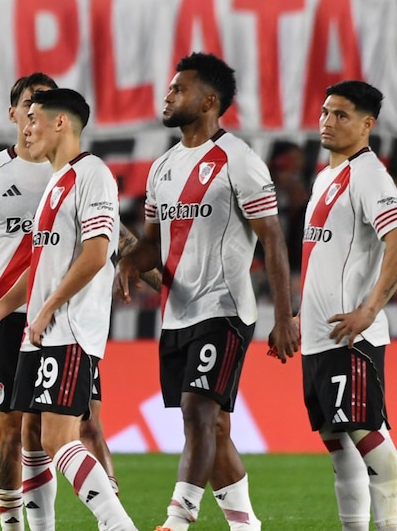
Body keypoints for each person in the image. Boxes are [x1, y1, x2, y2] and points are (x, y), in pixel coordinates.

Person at [0, 74, 154, 530]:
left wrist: (46, 308)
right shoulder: (54, 184)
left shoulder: (91, 173)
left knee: (66, 437)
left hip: (65, 326)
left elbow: (100, 251)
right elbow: (39, 265)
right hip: (31, 330)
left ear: (59, 122)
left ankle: (116, 523)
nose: (27, 127)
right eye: (23, 118)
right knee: (30, 434)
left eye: (35, 119)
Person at [116, 52, 298, 531]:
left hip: (225, 308)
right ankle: (246, 526)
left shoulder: (238, 160)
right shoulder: (162, 168)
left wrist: (284, 316)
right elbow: (155, 245)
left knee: (199, 410)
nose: (168, 95)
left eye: (179, 89)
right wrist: (130, 263)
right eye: (170, 88)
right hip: (176, 314)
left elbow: (273, 238)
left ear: (208, 101)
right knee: (211, 427)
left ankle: (178, 520)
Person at [298, 80, 397, 531]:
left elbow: (396, 242)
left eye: (341, 115)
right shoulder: (325, 178)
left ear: (367, 124)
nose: (328, 122)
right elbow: (324, 256)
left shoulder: (370, 175)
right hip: (320, 337)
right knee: (339, 446)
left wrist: (370, 309)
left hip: (350, 336)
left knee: (368, 439)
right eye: (324, 112)